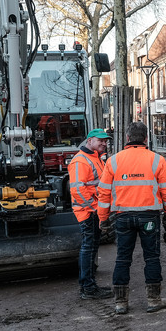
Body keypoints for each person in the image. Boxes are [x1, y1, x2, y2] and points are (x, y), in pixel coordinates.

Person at [97, 121, 166, 315]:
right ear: (146, 139)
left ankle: (121, 302)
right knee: (152, 257)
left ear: (127, 138)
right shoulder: (157, 160)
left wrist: (103, 218)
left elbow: (104, 193)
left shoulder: (113, 161)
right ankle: (153, 299)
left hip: (123, 217)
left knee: (122, 258)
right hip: (149, 216)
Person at [69, 128, 113, 300]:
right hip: (88, 212)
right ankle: (87, 287)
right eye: (100, 140)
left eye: (105, 140)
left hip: (93, 211)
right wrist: (95, 209)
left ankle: (89, 284)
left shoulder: (96, 159)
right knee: (88, 248)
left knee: (91, 248)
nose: (104, 143)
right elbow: (78, 191)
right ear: (89, 141)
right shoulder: (81, 161)